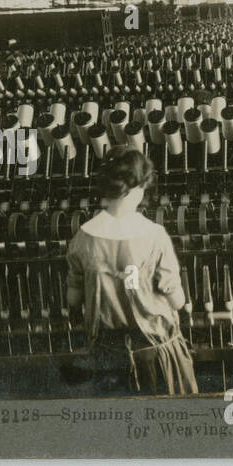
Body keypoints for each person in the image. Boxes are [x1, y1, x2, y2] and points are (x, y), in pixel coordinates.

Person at [65, 145, 198, 396]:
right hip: (157, 358)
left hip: (109, 359)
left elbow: (73, 299)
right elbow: (177, 301)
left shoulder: (82, 238)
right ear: (138, 188)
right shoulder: (155, 235)